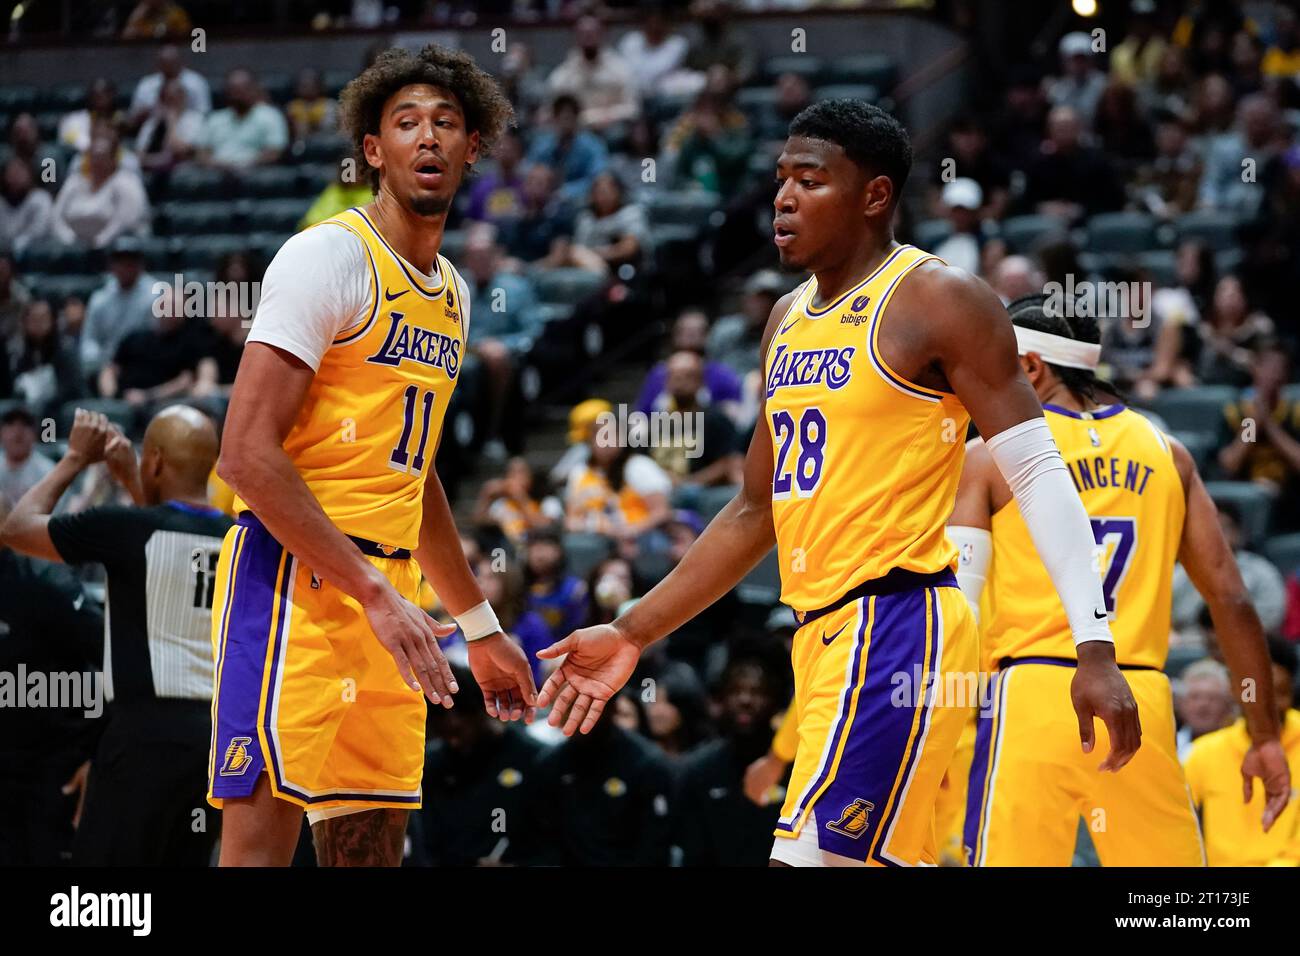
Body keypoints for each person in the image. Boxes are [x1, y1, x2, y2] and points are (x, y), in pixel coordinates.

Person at [537, 99, 1139, 868]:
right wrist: (630, 630)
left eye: (810, 180)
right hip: (821, 637)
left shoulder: (937, 298)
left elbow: (1037, 468)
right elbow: (757, 508)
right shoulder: (785, 319)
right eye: (781, 178)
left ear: (874, 196)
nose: (783, 198)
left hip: (898, 626)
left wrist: (1095, 646)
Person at [208, 44, 536, 868]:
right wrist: (371, 592)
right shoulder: (327, 256)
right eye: (406, 123)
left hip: (394, 598)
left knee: (371, 848)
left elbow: (413, 474)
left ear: (473, 148)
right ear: (372, 150)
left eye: (447, 123)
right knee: (258, 846)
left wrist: (480, 626)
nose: (428, 137)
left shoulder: (453, 292)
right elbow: (246, 454)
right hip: (290, 582)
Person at [951, 294, 1289, 866]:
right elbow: (1231, 600)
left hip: (1031, 697)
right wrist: (1263, 735)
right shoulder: (1169, 453)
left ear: (1030, 368)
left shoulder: (988, 458)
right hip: (1140, 702)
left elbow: (957, 607)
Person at [0, 406, 232, 865]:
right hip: (216, 743)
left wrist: (74, 458)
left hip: (142, 738)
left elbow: (15, 528)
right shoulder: (237, 538)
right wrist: (135, 478)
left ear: (158, 461)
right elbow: (170, 529)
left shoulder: (124, 529)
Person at [415, 663, 549, 867]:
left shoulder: (534, 757)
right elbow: (424, 842)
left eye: (462, 711)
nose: (453, 723)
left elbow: (553, 840)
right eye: (441, 714)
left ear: (482, 708)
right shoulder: (430, 764)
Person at [1185, 638, 1300, 866]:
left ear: (1289, 690)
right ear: (1234, 689)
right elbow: (1175, 821)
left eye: (1277, 694)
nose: (1267, 707)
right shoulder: (1205, 752)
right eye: (1257, 696)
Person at [676, 656, 788, 866]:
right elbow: (692, 850)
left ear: (774, 701)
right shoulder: (698, 768)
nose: (745, 700)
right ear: (721, 701)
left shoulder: (793, 764)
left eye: (757, 692)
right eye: (736, 691)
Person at [49, 134, 150, 249]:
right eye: (93, 156)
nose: (96, 160)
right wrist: (69, 240)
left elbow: (125, 222)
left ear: (113, 159)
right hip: (74, 250)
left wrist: (98, 243)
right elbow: (56, 217)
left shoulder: (127, 182)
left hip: (114, 249)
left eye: (101, 156)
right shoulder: (74, 181)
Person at [80, 236, 159, 379]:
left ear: (141, 264)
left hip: (143, 366)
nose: (126, 266)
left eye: (131, 261)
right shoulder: (100, 297)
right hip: (104, 366)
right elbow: (89, 341)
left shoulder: (155, 294)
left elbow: (158, 340)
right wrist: (102, 363)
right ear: (111, 265)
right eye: (120, 261)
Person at [194, 69, 289, 170]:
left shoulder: (270, 116)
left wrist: (242, 165)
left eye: (243, 89)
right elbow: (201, 152)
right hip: (217, 172)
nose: (238, 94)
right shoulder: (215, 119)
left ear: (254, 89)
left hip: (255, 172)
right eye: (234, 89)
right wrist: (217, 165)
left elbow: (274, 152)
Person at [1175, 658, 1235, 760]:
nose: (1203, 704)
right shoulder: (1169, 744)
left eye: (1212, 697)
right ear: (1181, 703)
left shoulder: (1238, 748)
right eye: (1195, 697)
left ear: (1228, 706)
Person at [0, 406, 53, 510]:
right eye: (11, 424)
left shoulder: (48, 472)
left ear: (35, 434)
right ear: (1, 433)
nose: (17, 432)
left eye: (25, 424)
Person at [0, 157, 53, 252]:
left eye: (20, 172)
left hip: (36, 253)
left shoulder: (40, 198)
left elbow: (40, 232)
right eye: (12, 172)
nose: (15, 177)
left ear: (30, 174)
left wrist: (16, 246)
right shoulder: (1, 202)